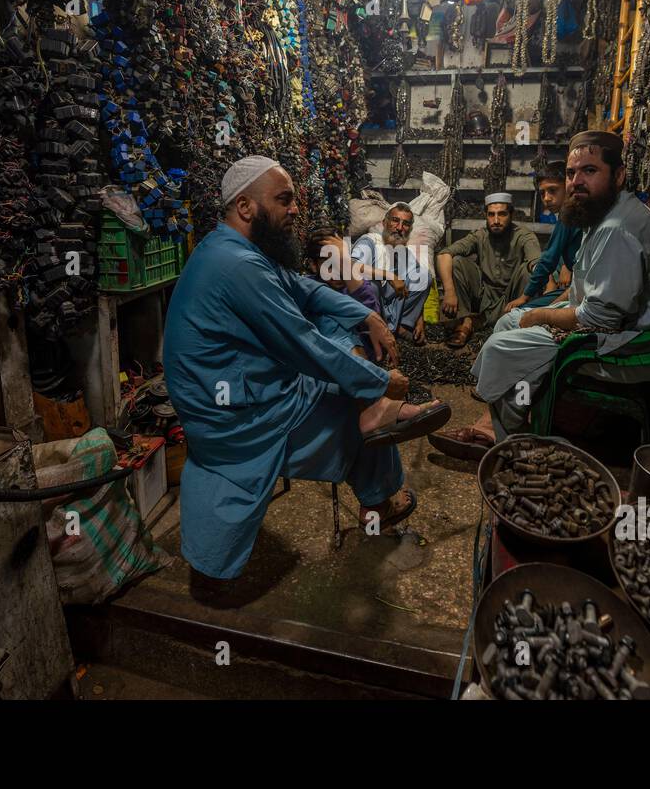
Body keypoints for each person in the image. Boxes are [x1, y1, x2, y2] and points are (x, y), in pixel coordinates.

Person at [165, 155, 452, 588]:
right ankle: (378, 488)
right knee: (353, 400)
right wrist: (380, 381)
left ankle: (377, 463)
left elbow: (302, 286)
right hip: (235, 418)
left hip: (242, 391)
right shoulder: (238, 265)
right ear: (245, 207)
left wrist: (365, 317)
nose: (295, 210)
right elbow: (302, 343)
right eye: (284, 200)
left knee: (354, 385)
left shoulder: (235, 250)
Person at [429, 131, 650, 458]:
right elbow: (586, 286)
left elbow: (598, 318)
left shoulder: (616, 228)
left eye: (589, 171)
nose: (576, 181)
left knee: (501, 345)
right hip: (616, 322)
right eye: (571, 173)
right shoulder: (601, 213)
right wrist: (554, 305)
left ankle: (500, 438)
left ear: (618, 176)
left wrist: (538, 314)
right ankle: (509, 418)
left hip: (629, 340)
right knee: (508, 322)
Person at [435, 192, 542, 349]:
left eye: (502, 214)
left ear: (511, 215)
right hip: (484, 296)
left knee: (527, 271)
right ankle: (465, 320)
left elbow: (537, 264)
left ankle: (508, 324)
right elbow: (444, 255)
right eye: (491, 215)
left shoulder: (524, 236)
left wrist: (533, 295)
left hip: (512, 299)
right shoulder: (480, 235)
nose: (496, 221)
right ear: (486, 215)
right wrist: (449, 292)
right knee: (457, 261)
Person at [504, 161, 584, 313]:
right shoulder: (571, 212)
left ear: (568, 186)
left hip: (582, 289)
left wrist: (524, 297)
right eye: (542, 193)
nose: (546, 198)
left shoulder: (569, 216)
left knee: (518, 313)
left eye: (553, 190)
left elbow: (549, 259)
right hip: (578, 285)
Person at [350, 203, 432, 345]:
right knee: (371, 285)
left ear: (410, 229)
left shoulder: (405, 253)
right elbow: (351, 266)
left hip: (392, 308)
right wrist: (388, 276)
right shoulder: (370, 241)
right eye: (395, 220)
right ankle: (378, 330)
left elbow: (419, 282)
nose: (399, 228)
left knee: (424, 275)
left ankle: (402, 326)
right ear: (384, 222)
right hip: (371, 307)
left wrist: (420, 321)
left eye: (405, 224)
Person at [306, 226, 381, 358]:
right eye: (329, 266)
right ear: (313, 265)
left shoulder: (356, 287)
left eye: (340, 263)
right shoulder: (306, 287)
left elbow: (373, 325)